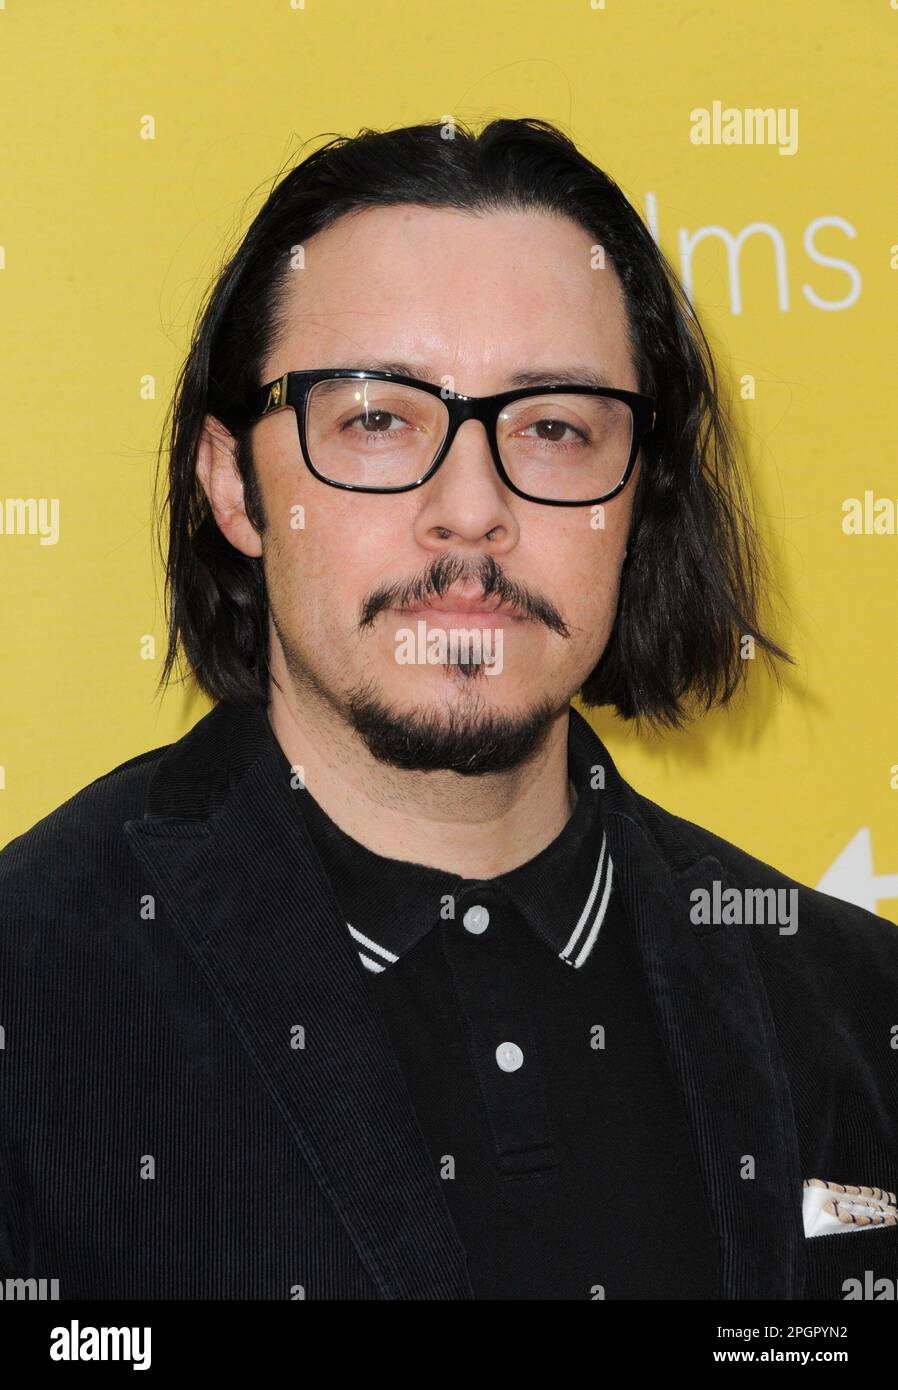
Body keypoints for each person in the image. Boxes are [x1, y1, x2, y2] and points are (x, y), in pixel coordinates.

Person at [1, 117, 896, 1302]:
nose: (468, 510)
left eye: (556, 427)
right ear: (233, 486)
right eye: (376, 419)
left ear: (642, 499)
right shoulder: (35, 992)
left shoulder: (849, 1006)